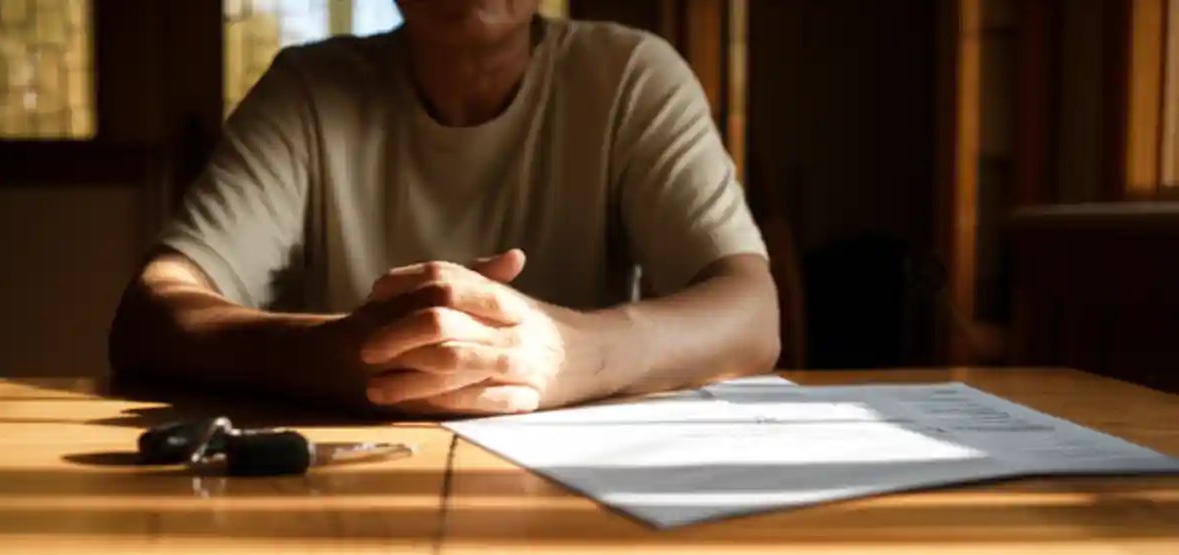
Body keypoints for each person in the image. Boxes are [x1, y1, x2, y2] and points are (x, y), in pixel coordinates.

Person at [109, 0, 780, 416]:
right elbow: (152, 311)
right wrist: (321, 354)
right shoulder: (307, 92)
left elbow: (753, 315)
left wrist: (569, 354)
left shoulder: (630, 75)